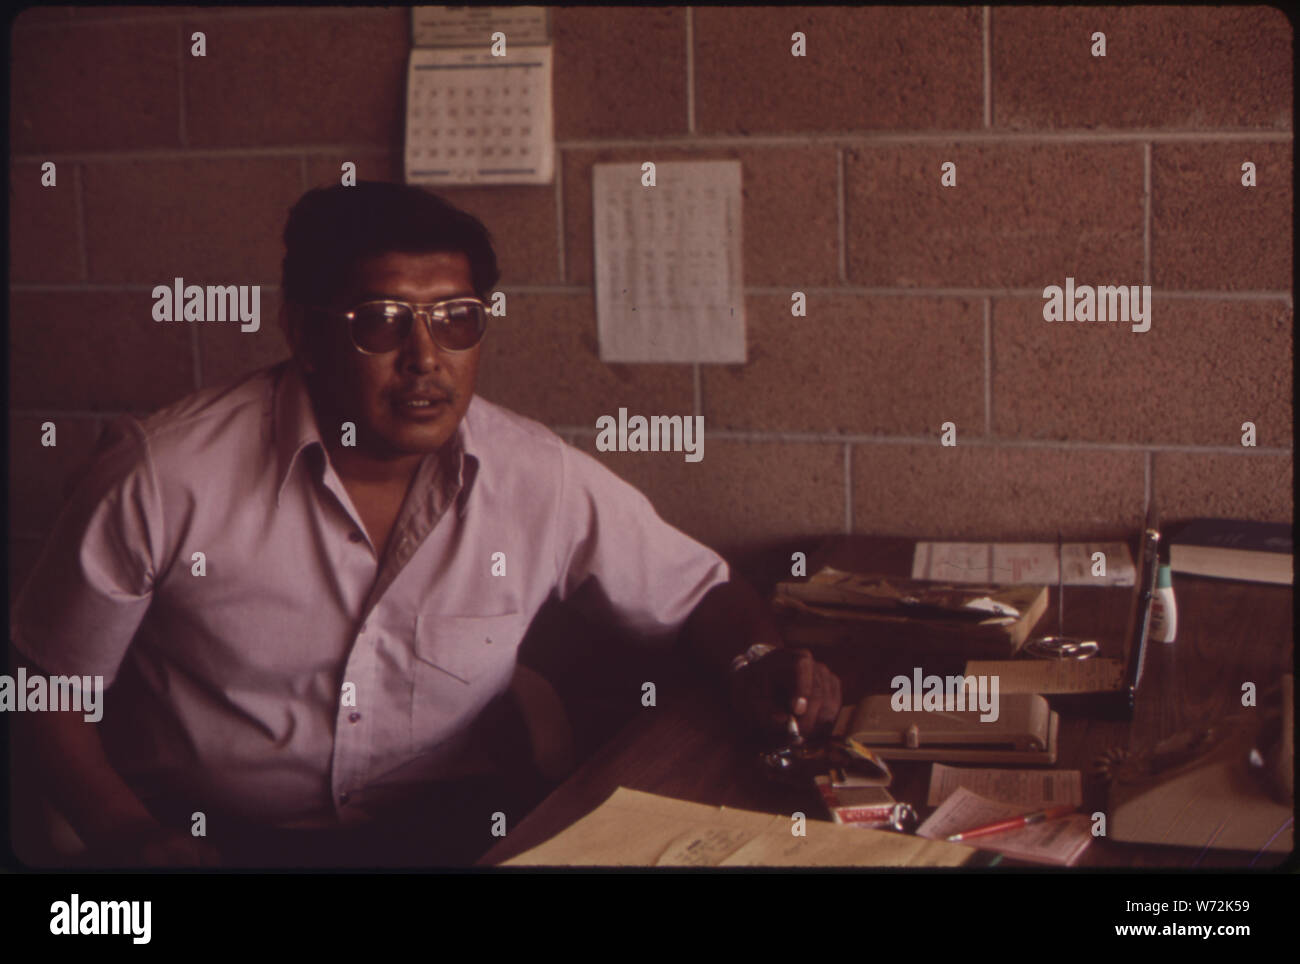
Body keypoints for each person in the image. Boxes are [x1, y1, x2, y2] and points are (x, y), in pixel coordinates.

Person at [10, 181, 842, 868]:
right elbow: (44, 686)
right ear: (304, 332)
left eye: (456, 319)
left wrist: (756, 662)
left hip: (445, 835)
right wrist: (126, 833)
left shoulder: (534, 474)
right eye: (381, 320)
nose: (425, 357)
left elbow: (700, 593)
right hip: (217, 839)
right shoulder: (162, 476)